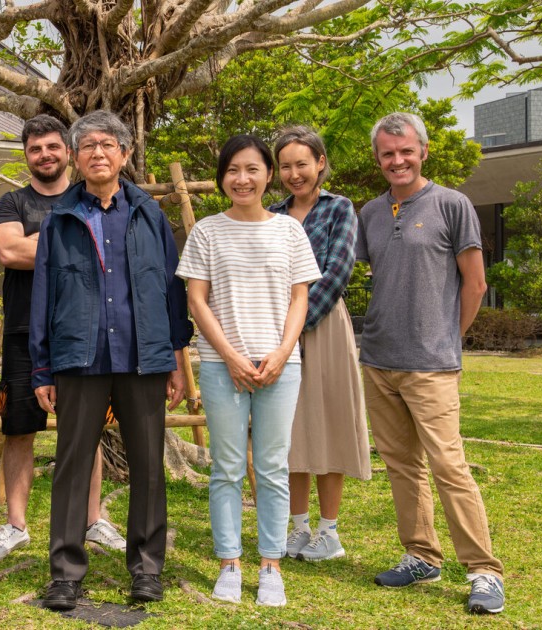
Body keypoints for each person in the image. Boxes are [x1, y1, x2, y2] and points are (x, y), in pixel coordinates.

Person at [30, 110, 192, 611]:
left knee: (148, 466)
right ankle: (65, 572)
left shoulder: (148, 214)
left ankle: (146, 569)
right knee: (72, 466)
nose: (97, 153)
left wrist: (174, 360)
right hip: (79, 358)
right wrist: (41, 368)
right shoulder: (60, 220)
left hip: (144, 357)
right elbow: (44, 296)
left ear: (124, 154)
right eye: (87, 146)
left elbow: (171, 289)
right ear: (76, 159)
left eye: (107, 144)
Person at [356, 112, 504, 614]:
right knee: (402, 466)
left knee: (449, 465)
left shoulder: (451, 204)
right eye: (387, 154)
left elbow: (475, 284)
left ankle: (484, 571)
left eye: (405, 151)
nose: (397, 161)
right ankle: (421, 555)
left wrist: (445, 340)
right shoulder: (371, 212)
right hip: (377, 360)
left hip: (432, 365)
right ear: (378, 159)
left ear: (423, 151)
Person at [177, 134, 320, 607]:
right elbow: (196, 299)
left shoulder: (289, 231)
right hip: (223, 366)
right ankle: (229, 563)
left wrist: (282, 351)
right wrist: (232, 357)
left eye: (253, 169)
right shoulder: (207, 231)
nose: (243, 179)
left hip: (282, 363)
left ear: (267, 175)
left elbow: (300, 296)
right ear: (222, 177)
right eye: (233, 170)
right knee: (228, 468)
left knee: (274, 467)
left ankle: (271, 564)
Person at [0, 114, 126, 562]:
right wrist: (73, 242)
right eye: (34, 149)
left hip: (83, 333)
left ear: (68, 151)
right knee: (18, 429)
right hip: (24, 331)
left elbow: (105, 248)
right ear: (26, 157)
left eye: (52, 147)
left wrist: (40, 245)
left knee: (84, 431)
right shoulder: (11, 202)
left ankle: (93, 519)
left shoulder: (90, 196)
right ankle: (15, 525)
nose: (44, 155)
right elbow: (7, 250)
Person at [267, 127, 371, 562]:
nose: (295, 174)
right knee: (286, 430)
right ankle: (298, 528)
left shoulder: (340, 209)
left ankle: (329, 532)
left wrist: (297, 323)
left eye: (302, 164)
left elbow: (338, 270)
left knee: (327, 423)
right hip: (273, 329)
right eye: (286, 166)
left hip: (323, 326)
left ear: (321, 163)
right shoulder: (269, 213)